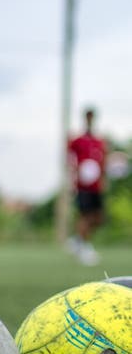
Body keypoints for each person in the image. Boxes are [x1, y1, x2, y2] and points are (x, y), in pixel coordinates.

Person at [67, 107, 107, 265]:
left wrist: (103, 180)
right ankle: (84, 247)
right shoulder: (77, 141)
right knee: (85, 216)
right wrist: (73, 176)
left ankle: (77, 240)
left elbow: (103, 162)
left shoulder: (99, 141)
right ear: (85, 118)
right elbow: (70, 160)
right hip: (83, 185)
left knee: (98, 218)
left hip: (96, 186)